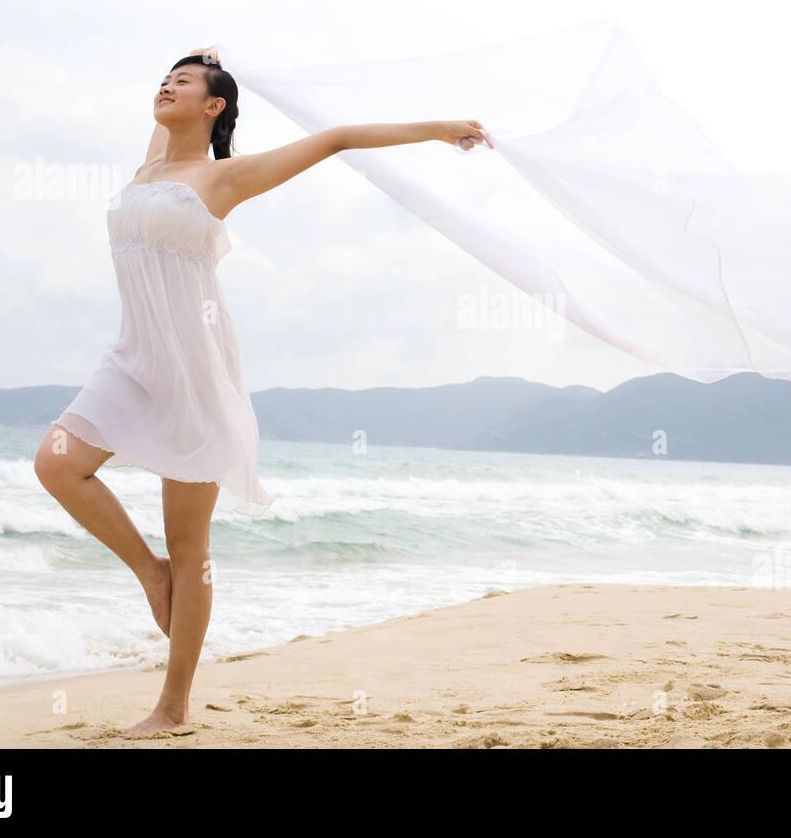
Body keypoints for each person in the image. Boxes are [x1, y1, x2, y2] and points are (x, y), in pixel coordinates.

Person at [32, 44, 488, 738]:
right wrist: (198, 50)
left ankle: (173, 708)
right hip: (129, 362)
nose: (166, 86)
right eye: (164, 79)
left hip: (193, 373)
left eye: (181, 82)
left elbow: (336, 139)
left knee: (194, 548)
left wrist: (438, 127)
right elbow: (170, 112)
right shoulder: (149, 165)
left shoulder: (225, 179)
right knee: (57, 465)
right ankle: (150, 576)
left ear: (213, 106)